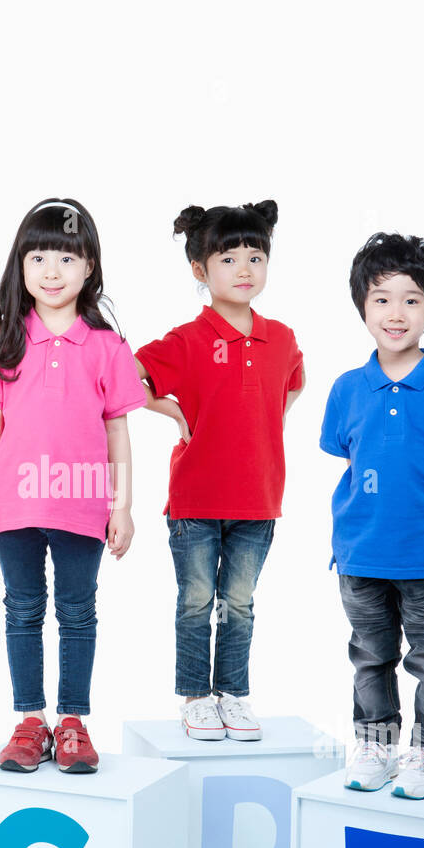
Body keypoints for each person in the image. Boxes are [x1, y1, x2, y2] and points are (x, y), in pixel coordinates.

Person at [0, 198, 145, 774]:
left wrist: (123, 507)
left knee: (77, 611)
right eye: (37, 257)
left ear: (89, 266)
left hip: (84, 503)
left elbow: (117, 431)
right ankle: (29, 720)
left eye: (65, 258)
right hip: (15, 504)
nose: (50, 271)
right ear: (20, 266)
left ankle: (72, 722)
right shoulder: (3, 342)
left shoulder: (109, 348)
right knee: (22, 609)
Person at [321, 232, 424, 799]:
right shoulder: (347, 388)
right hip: (361, 555)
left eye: (411, 299)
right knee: (370, 656)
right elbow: (352, 462)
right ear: (363, 307)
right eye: (382, 298)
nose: (396, 313)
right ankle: (376, 747)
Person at [135, 200, 304, 742]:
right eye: (228, 258)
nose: (245, 269)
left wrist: (263, 425)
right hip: (195, 500)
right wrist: (172, 409)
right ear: (199, 270)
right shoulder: (186, 339)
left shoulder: (280, 336)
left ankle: (233, 692)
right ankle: (195, 695)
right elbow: (126, 375)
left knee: (240, 604)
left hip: (259, 498)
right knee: (195, 602)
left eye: (256, 256)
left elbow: (294, 383)